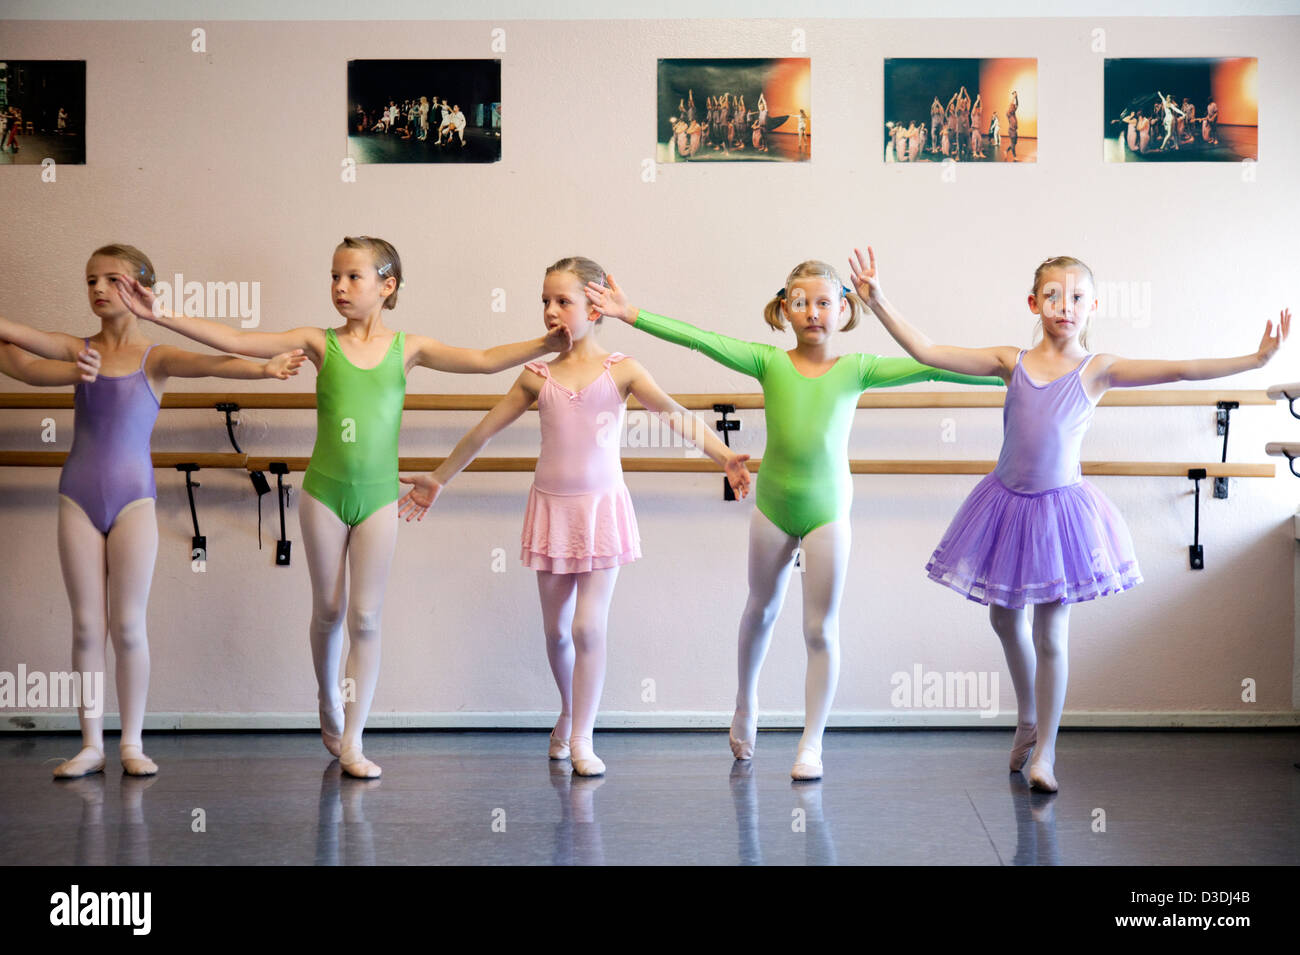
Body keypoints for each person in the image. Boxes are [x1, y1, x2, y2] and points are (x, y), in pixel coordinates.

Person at [113, 236, 572, 778]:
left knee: (367, 619)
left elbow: (483, 360)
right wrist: (158, 313)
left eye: (353, 277)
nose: (340, 287)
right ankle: (328, 699)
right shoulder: (317, 341)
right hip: (324, 493)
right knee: (328, 610)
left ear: (387, 285)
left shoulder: (410, 347)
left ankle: (354, 739)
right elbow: (238, 339)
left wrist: (544, 343)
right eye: (334, 276)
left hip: (378, 496)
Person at [851, 245, 1290, 792]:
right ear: (1034, 303)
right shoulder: (1009, 361)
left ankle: (1047, 754)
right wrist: (880, 302)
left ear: (1094, 306)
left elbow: (1178, 369)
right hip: (1006, 505)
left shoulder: (1098, 368)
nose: (1066, 305)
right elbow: (930, 350)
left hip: (1061, 514)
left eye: (1078, 296)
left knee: (1051, 633)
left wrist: (1254, 361)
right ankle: (1028, 716)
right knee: (1003, 618)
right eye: (1054, 295)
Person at [585, 262, 1003, 781]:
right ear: (785, 308)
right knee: (759, 610)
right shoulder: (768, 362)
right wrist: (630, 314)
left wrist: (1015, 369)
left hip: (829, 511)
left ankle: (811, 742)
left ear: (844, 309)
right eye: (801, 302)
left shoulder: (859, 368)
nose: (812, 312)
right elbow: (699, 340)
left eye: (824, 302)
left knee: (819, 628)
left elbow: (932, 365)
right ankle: (745, 703)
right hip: (773, 506)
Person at [399, 257, 750, 776]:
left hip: (602, 509)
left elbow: (675, 415)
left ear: (596, 305)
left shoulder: (622, 370)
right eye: (544, 300)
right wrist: (439, 477)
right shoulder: (537, 375)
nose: (550, 310)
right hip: (551, 510)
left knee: (588, 627)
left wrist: (723, 456)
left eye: (562, 300)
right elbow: (483, 431)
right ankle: (567, 711)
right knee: (558, 633)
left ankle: (583, 736)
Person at [0, 244, 305, 778]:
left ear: (140, 288)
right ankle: (92, 743)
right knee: (87, 626)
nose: (97, 289)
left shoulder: (154, 357)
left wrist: (265, 370)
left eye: (112, 280)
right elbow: (22, 341)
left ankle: (132, 743)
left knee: (128, 624)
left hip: (134, 499)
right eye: (90, 280)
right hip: (77, 495)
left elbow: (212, 364)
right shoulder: (77, 348)